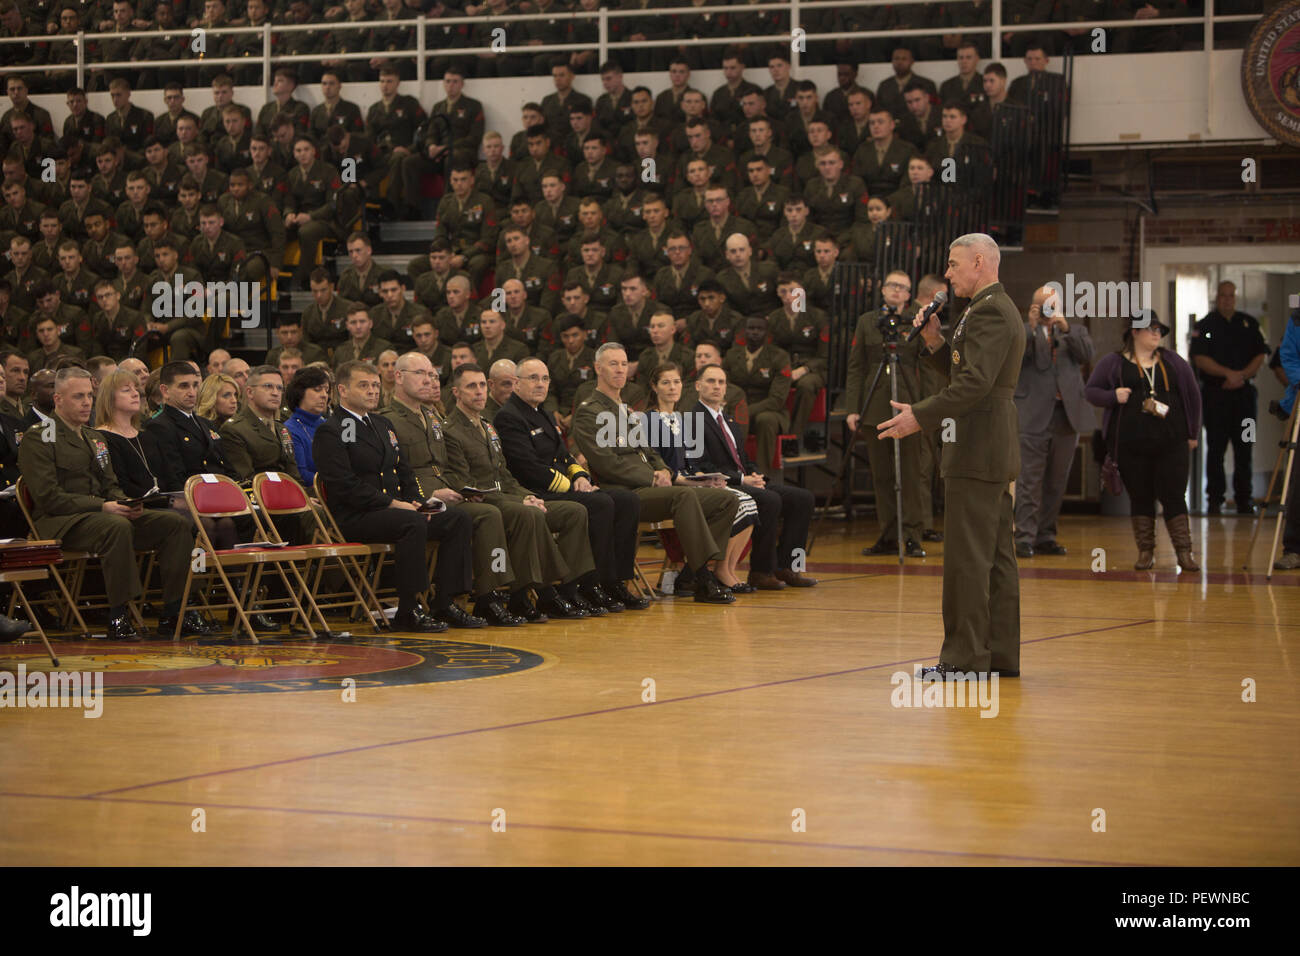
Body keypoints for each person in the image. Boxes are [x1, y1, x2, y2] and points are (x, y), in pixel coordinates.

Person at [878, 234, 1025, 679]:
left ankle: (963, 661)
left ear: (980, 262)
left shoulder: (991, 312)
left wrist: (919, 416)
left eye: (954, 264)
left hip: (978, 447)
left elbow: (974, 385)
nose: (948, 273)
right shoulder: (985, 310)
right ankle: (997, 656)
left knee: (967, 560)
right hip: (986, 446)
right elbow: (968, 373)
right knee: (995, 558)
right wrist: (935, 340)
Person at [17, 367, 203, 641]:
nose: (86, 403)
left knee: (174, 523)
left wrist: (127, 503)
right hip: (61, 522)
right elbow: (48, 496)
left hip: (103, 516)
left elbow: (110, 485)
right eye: (78, 396)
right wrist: (103, 506)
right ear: (58, 400)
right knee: (115, 526)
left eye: (90, 396)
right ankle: (118, 614)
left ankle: (176, 609)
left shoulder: (95, 437)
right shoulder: (41, 435)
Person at [312, 361, 477, 632]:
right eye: (363, 385)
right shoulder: (333, 428)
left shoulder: (381, 422)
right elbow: (344, 485)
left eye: (375, 385)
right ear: (342, 389)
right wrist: (394, 503)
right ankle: (408, 609)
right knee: (411, 524)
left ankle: (446, 602)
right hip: (356, 515)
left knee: (456, 518)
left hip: (394, 509)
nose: (372, 391)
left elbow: (403, 469)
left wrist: (415, 500)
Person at [572, 343, 739, 604]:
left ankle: (690, 573)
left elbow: (648, 451)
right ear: (597, 368)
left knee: (726, 499)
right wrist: (650, 477)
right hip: (625, 492)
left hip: (653, 487)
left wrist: (662, 468)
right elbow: (606, 463)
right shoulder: (589, 410)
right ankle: (704, 578)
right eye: (613, 364)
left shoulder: (623, 407)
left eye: (624, 364)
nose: (620, 369)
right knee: (683, 496)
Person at [442, 363, 595, 621]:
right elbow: (467, 482)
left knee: (573, 510)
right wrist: (520, 499)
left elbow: (504, 474)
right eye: (471, 386)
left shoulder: (487, 426)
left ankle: (563, 588)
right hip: (483, 499)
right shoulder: (450, 429)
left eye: (481, 385)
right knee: (527, 513)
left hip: (505, 495)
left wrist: (526, 494)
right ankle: (510, 595)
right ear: (456, 392)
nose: (479, 392)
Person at [495, 357, 649, 611]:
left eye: (545, 379)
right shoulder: (509, 417)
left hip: (563, 487)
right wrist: (570, 485)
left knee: (627, 500)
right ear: (516, 383)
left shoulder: (540, 413)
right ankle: (590, 584)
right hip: (536, 492)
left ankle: (616, 580)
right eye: (533, 378)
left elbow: (565, 456)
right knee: (600, 504)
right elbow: (527, 468)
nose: (540, 384)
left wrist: (580, 477)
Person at [1086, 312, 1202, 572]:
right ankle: (1145, 552)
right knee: (1140, 497)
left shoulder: (1173, 362)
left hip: (1172, 442)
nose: (1156, 334)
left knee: (1173, 495)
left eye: (1159, 330)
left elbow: (1193, 397)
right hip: (1130, 444)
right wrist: (1113, 396)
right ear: (1134, 333)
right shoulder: (1113, 363)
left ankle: (1184, 553)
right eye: (1150, 329)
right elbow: (1091, 391)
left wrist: (1192, 433)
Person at [646, 361, 757, 593]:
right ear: (654, 387)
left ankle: (711, 569)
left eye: (676, 382)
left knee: (748, 502)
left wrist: (706, 478)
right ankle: (703, 570)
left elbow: (693, 462)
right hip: (672, 486)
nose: (672, 387)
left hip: (691, 481)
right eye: (665, 383)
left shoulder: (682, 419)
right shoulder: (649, 420)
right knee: (740, 502)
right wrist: (688, 480)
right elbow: (657, 465)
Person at [845, 270, 927, 557]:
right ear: (882, 289)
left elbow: (927, 366)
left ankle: (913, 534)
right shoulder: (868, 322)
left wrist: (927, 407)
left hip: (909, 402)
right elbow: (856, 367)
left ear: (909, 294)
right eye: (892, 285)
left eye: (902, 288)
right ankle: (889, 535)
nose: (896, 291)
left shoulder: (917, 321)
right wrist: (853, 408)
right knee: (881, 475)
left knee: (910, 473)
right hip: (874, 403)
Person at [1013, 285, 1095, 558]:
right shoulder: (1023, 331)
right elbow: (1014, 357)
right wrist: (1032, 326)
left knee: (1056, 481)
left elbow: (1087, 355)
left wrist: (1066, 328)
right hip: (1032, 415)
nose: (1050, 310)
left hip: (1066, 416)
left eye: (1054, 305)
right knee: (1029, 480)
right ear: (1033, 306)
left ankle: (1046, 536)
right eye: (1044, 305)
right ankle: (1024, 537)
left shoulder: (1075, 331)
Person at [1190, 280, 1268, 515]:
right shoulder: (1204, 325)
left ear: (1236, 297)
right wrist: (1227, 374)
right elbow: (1199, 358)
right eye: (1223, 295)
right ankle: (1215, 499)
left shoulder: (1249, 324)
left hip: (1245, 399)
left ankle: (1244, 499)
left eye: (1230, 295)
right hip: (1216, 397)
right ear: (1217, 297)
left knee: (1245, 447)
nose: (1227, 299)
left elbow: (1261, 354)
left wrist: (1241, 376)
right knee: (1216, 448)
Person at [283, 365, 332, 489]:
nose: (324, 395)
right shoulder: (290, 429)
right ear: (299, 392)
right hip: (315, 492)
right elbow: (302, 474)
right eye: (317, 389)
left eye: (326, 390)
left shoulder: (329, 424)